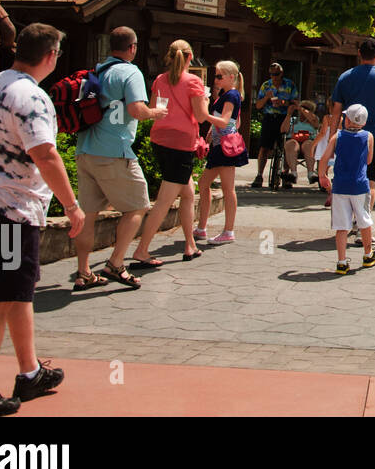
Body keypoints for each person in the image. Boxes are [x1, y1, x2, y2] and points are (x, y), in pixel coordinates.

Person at [0, 23, 84, 416]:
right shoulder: (32, 97)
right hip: (11, 209)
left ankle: (29, 373)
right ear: (50, 56)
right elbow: (45, 154)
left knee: (15, 291)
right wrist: (72, 206)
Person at [73, 26, 167, 290]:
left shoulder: (97, 71)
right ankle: (115, 264)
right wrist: (155, 113)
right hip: (114, 151)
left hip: (85, 150)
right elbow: (137, 110)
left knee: (88, 215)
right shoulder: (130, 72)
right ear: (133, 48)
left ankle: (83, 272)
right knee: (138, 206)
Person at [131, 40, 209, 266]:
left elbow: (156, 110)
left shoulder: (159, 80)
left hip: (160, 139)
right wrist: (205, 99)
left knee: (187, 193)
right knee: (165, 200)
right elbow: (201, 116)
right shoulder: (194, 81)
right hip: (181, 143)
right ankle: (142, 250)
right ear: (190, 56)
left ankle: (190, 244)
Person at [327, 39, 375, 228]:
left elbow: (336, 110)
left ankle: (346, 221)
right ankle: (363, 223)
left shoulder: (345, 77)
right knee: (371, 183)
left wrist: (333, 135)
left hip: (348, 135)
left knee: (347, 177)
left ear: (359, 54)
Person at [319, 104, 375, 272]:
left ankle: (342, 261)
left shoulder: (337, 136)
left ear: (348, 120)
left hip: (340, 186)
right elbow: (368, 160)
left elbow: (324, 158)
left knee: (341, 225)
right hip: (360, 185)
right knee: (364, 221)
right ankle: (368, 254)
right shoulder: (368, 137)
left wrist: (322, 176)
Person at [195, 61, 248, 242]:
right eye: (216, 76)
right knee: (205, 184)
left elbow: (225, 121)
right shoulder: (228, 94)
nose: (216, 79)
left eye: (219, 76)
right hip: (221, 145)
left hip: (225, 147)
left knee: (226, 188)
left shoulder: (231, 95)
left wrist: (204, 113)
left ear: (231, 77)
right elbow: (233, 121)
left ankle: (227, 231)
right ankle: (203, 227)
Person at [251, 62, 298, 188]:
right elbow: (258, 105)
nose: (274, 77)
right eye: (271, 74)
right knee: (264, 147)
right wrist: (266, 98)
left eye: (276, 74)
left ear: (281, 73)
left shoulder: (289, 85)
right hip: (269, 117)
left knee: (285, 146)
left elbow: (295, 102)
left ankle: (286, 176)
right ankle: (259, 175)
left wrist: (283, 103)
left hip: (284, 117)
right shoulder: (266, 86)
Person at [282, 99, 321, 186]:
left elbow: (315, 124)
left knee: (309, 145)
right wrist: (288, 114)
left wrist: (300, 108)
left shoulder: (314, 120)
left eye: (306, 109)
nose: (302, 110)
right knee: (291, 144)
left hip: (308, 141)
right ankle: (293, 173)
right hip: (294, 141)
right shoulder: (293, 120)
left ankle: (311, 173)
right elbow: (283, 130)